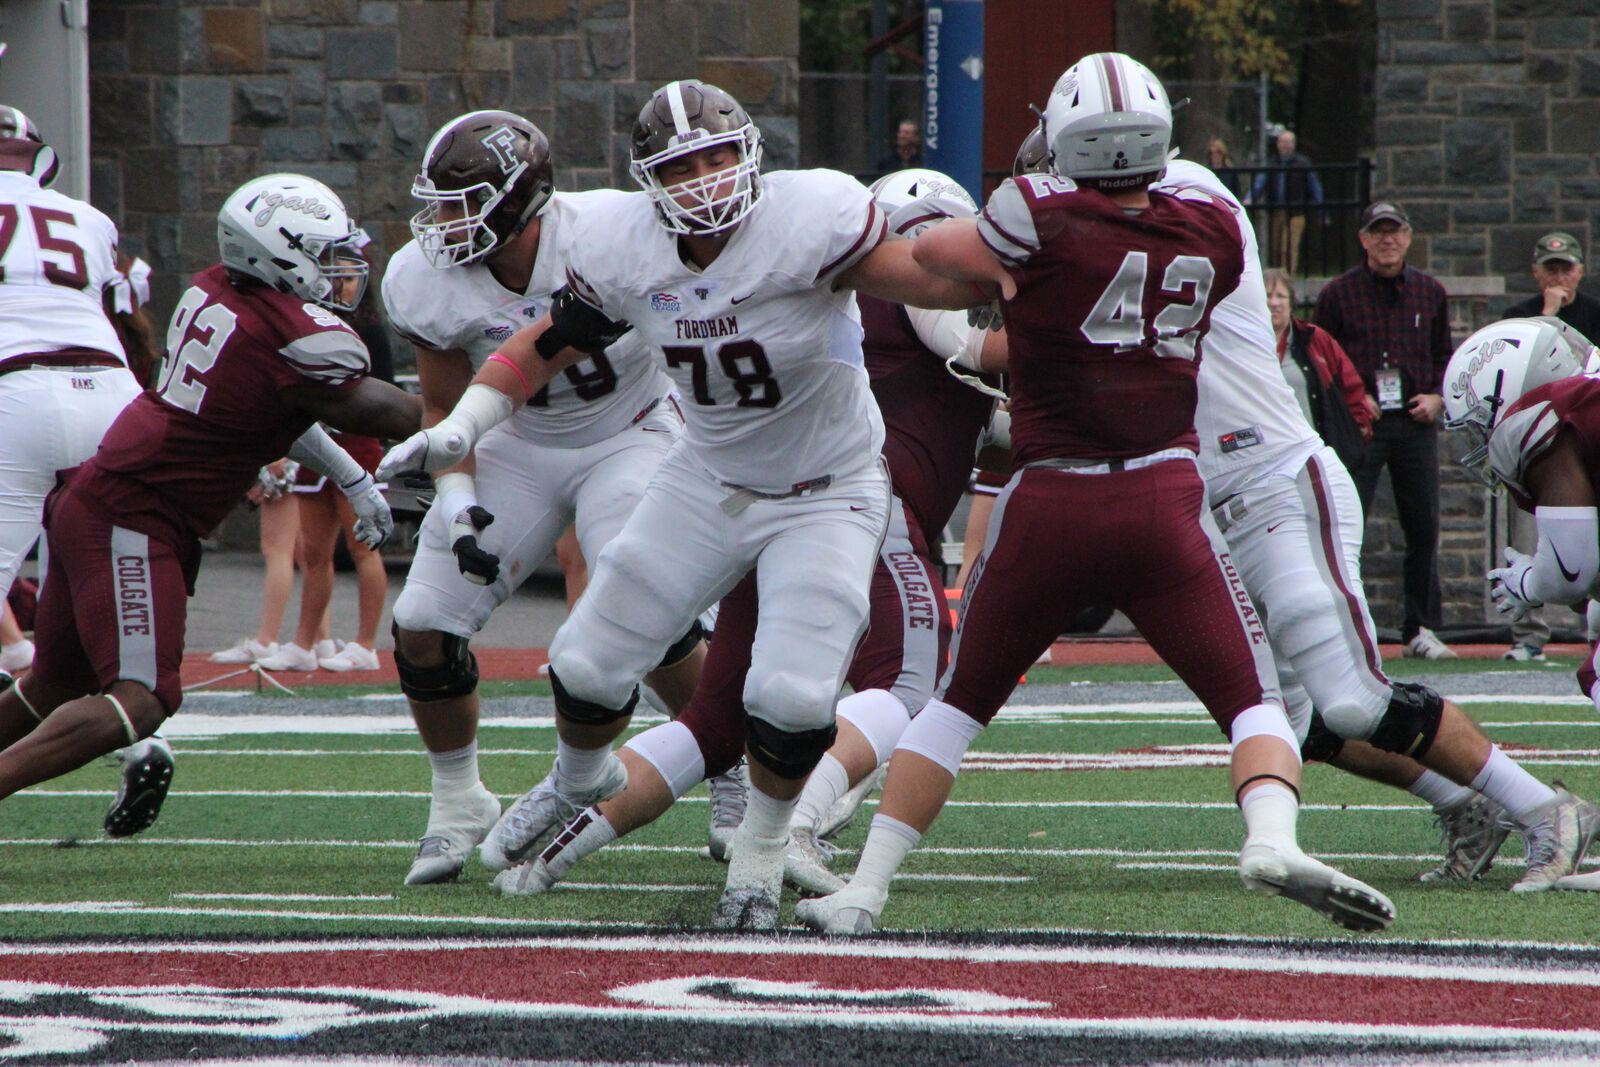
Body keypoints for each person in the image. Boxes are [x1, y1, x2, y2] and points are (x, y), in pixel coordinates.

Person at [797, 54, 1394, 937]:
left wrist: (1011, 278)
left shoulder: (1031, 216)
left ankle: (865, 888)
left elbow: (935, 255)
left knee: (957, 706)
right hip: (1165, 497)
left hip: (1052, 500)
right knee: (1253, 699)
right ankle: (1269, 835)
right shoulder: (1213, 229)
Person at [378, 79, 984, 929]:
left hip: (827, 488)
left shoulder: (807, 218)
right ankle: (578, 777)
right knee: (585, 664)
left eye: (715, 157)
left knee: (795, 696)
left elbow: (928, 274)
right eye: (680, 164)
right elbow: (547, 341)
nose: (701, 180)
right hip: (706, 476)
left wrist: (1022, 262)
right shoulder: (627, 244)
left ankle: (763, 846)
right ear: (646, 178)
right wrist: (467, 425)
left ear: (749, 156)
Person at [485, 168, 1008, 901]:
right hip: (852, 509)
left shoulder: (801, 268)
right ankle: (793, 825)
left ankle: (552, 851)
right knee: (905, 686)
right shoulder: (909, 287)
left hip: (749, 499)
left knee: (715, 720)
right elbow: (970, 333)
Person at [1158, 161, 1589, 894]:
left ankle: (1547, 806)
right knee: (1299, 725)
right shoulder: (1110, 270)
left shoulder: (1197, 221)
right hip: (1217, 507)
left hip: (1278, 486)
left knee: (1354, 695)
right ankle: (1466, 802)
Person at [0, 172, 419, 835]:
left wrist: (356, 479)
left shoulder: (217, 288)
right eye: (321, 252)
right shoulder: (285, 331)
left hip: (103, 498)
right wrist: (492, 404)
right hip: (135, 518)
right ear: (276, 251)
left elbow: (283, 403)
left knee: (54, 680)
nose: (338, 271)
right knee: (143, 698)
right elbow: (387, 410)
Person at [378, 110, 712, 887]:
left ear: (521, 200)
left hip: (632, 428)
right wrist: (456, 496)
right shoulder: (422, 278)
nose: (442, 226)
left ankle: (724, 759)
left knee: (644, 594)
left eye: (463, 206)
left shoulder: (608, 231)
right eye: (438, 205)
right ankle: (459, 797)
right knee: (423, 621)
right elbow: (441, 406)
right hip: (516, 444)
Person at [0, 104, 174, 834]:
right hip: (113, 397)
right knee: (109, 601)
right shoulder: (88, 221)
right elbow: (130, 320)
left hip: (12, 389)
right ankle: (142, 732)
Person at [1442, 317, 1600, 888]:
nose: (1480, 440)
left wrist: (1528, 583)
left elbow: (1575, 567)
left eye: (1479, 423)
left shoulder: (1546, 414)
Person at [1314, 200, 1456, 660]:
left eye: (1394, 232)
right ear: (1363, 240)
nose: (1387, 240)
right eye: (1378, 232)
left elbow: (1444, 359)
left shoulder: (1431, 293)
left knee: (1423, 526)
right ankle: (1343, 625)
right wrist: (1354, 398)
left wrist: (1437, 398)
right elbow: (1321, 360)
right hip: (1363, 427)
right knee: (1343, 525)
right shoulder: (1337, 295)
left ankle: (1420, 628)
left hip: (1414, 424)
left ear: (1409, 237)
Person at [1497, 233, 1600, 661]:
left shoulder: (1594, 312)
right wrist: (1549, 316)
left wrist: (1528, 583)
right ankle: (1531, 635)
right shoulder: (1519, 319)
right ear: (1537, 272)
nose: (1560, 275)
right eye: (1551, 268)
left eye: (1567, 267)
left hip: (1573, 450)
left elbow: (1570, 573)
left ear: (1580, 270)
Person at [1263, 266, 1373, 471]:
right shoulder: (1243, 346)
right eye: (1267, 296)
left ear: (1291, 303)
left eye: (1281, 296)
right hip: (1266, 455)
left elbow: (1351, 386)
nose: (1274, 303)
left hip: (1314, 453)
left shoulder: (1314, 339)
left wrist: (1356, 428)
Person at [1249, 129, 1322, 275]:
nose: (1285, 146)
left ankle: (1289, 277)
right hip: (1277, 210)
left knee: (1289, 247)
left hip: (1296, 211)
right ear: (1277, 144)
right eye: (1282, 142)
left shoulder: (1302, 163)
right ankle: (1278, 276)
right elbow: (1260, 182)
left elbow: (1314, 186)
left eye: (1288, 142)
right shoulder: (1272, 163)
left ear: (1293, 144)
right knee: (1276, 247)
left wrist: (1320, 208)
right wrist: (1251, 197)